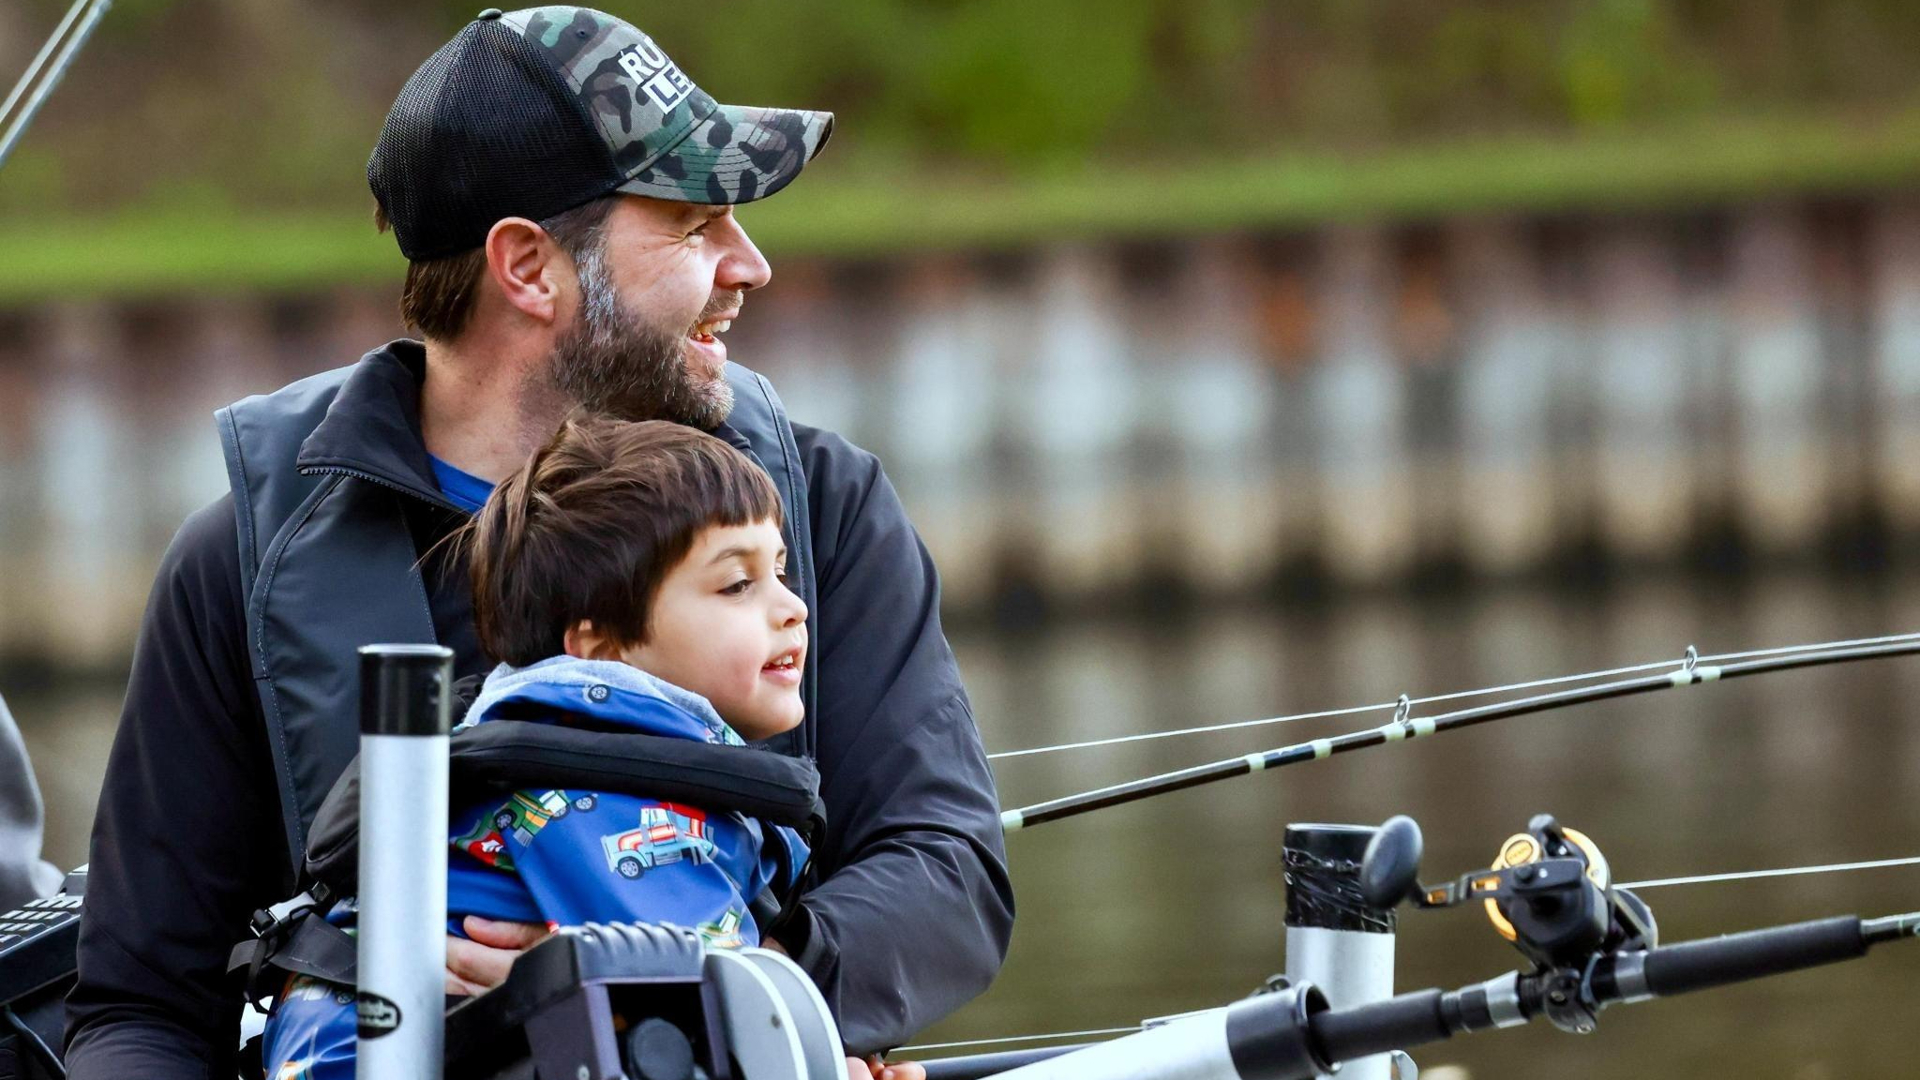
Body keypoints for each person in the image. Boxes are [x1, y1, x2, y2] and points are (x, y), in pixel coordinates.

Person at [65, 7, 1012, 1079]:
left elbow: (947, 877)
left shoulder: (824, 506)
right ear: (526, 267)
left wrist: (702, 981)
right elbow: (139, 1013)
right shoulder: (239, 561)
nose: (751, 265)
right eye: (695, 228)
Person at [264, 416, 817, 1080]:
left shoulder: (595, 751)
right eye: (737, 585)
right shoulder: (609, 793)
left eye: (780, 572)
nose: (793, 608)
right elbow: (716, 998)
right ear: (604, 646)